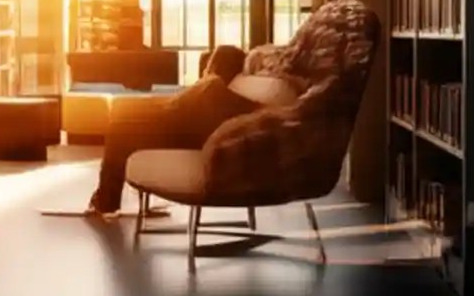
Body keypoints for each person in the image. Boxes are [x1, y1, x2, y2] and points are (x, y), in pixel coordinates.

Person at [86, 44, 311, 215]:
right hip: (183, 122)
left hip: (182, 130)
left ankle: (106, 200)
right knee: (124, 117)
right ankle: (108, 197)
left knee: (119, 127)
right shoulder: (232, 90)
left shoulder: (225, 92)